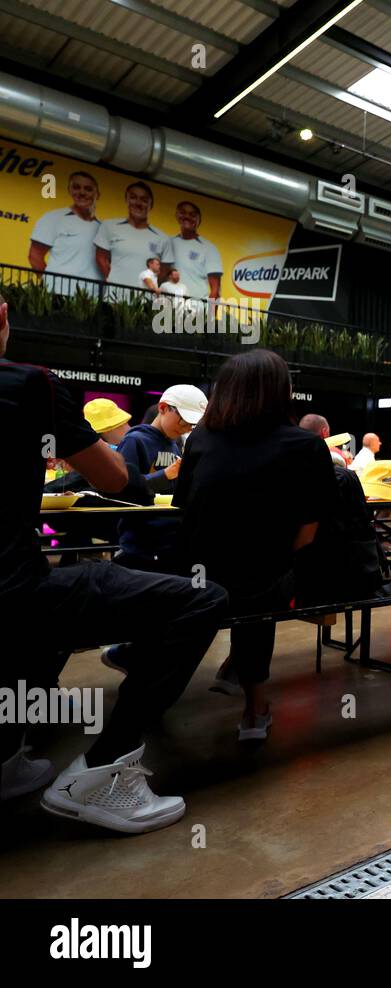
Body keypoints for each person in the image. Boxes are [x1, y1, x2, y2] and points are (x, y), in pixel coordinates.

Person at [0, 288, 229, 832]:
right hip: (15, 589)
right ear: (4, 316)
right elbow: (117, 482)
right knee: (203, 600)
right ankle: (102, 771)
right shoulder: (29, 383)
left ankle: (6, 760)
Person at [173, 349, 337, 740]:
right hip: (264, 580)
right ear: (281, 391)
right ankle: (254, 706)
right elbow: (310, 533)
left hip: (196, 575)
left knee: (244, 582)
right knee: (265, 581)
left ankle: (235, 671)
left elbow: (184, 508)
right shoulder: (306, 447)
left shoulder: (200, 439)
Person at [113, 384, 207, 571]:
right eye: (183, 421)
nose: (187, 428)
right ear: (163, 408)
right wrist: (164, 475)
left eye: (191, 424)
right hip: (141, 544)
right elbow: (122, 492)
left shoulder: (174, 444)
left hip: (170, 540)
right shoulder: (135, 441)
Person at [28, 170, 103, 291]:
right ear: (69, 190)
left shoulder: (103, 228)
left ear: (97, 194)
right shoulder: (53, 218)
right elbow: (35, 256)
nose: (82, 192)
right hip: (58, 294)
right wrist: (52, 285)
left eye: (88, 189)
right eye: (76, 187)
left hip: (92, 299)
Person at [92, 181, 167, 295]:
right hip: (114, 297)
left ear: (151, 205)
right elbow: (100, 257)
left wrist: (151, 285)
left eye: (144, 200)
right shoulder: (109, 226)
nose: (138, 203)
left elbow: (165, 270)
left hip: (146, 302)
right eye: (133, 197)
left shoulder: (162, 237)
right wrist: (114, 279)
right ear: (126, 200)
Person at [160, 200, 223, 299]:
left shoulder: (209, 248)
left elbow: (215, 290)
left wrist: (210, 314)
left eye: (192, 215)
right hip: (169, 307)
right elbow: (160, 276)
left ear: (199, 220)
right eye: (183, 213)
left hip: (197, 309)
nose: (187, 217)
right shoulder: (168, 243)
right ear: (177, 215)